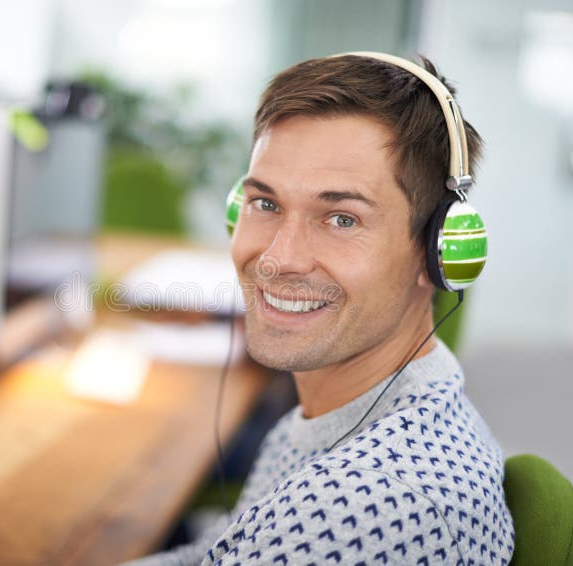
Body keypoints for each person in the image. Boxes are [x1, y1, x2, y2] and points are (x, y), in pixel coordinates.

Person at [129, 53, 513, 565]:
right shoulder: (335, 414)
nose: (277, 259)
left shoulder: (367, 504)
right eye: (265, 204)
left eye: (341, 219)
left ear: (438, 252)